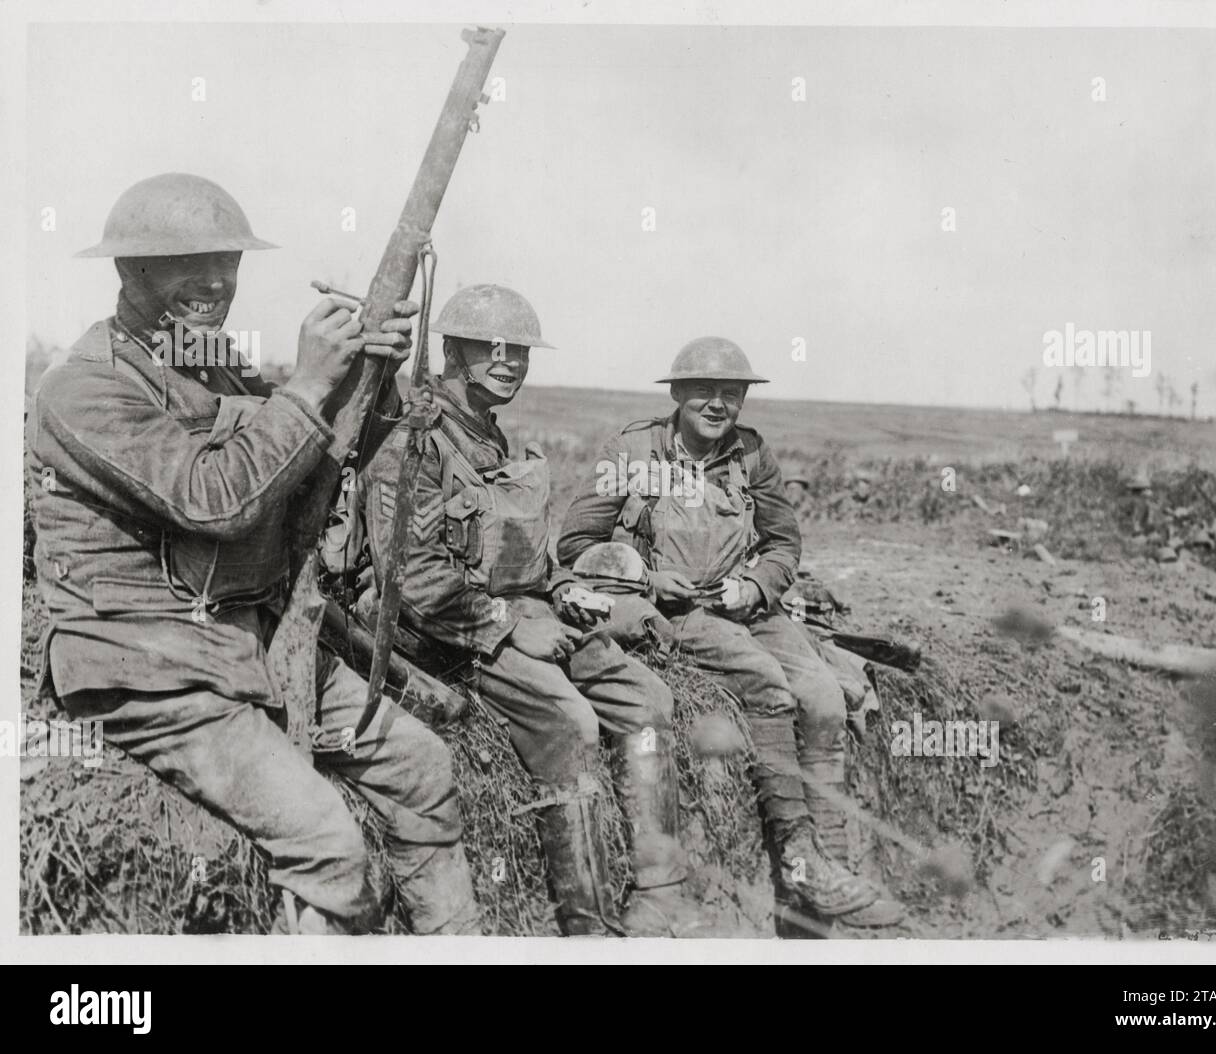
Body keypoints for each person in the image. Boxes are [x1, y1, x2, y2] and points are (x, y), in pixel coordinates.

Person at [26, 173, 478, 935]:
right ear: (128, 271)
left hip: (252, 639)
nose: (214, 281)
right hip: (150, 669)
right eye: (188, 262)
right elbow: (218, 499)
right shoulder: (81, 390)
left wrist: (373, 372)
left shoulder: (216, 368)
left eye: (227, 262)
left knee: (424, 770)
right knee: (332, 844)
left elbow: (321, 458)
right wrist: (307, 383)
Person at [360, 285, 703, 936]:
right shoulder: (418, 443)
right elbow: (415, 579)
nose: (509, 361)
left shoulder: (497, 442)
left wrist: (560, 587)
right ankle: (586, 924)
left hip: (523, 611)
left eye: (518, 350)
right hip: (444, 633)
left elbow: (515, 553)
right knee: (570, 721)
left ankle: (660, 889)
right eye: (491, 348)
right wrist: (510, 625)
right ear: (451, 352)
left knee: (650, 701)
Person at [558, 336, 904, 932]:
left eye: (731, 393)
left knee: (824, 698)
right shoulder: (632, 449)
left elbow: (783, 543)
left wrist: (757, 585)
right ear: (677, 393)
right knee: (767, 684)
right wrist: (645, 576)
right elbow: (576, 546)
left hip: (745, 606)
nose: (717, 404)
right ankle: (797, 859)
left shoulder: (751, 454)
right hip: (678, 612)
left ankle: (830, 875)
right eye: (703, 391)